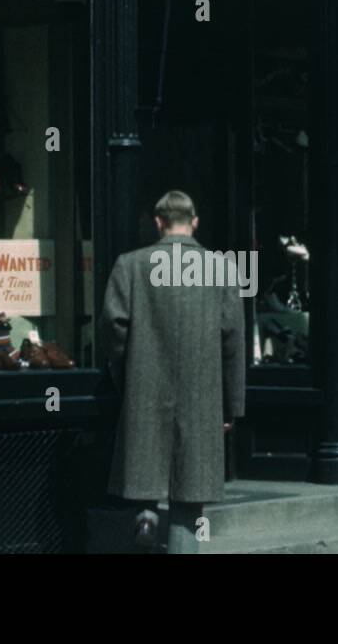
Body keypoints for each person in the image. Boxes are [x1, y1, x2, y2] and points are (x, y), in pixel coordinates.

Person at [100, 190, 246, 553]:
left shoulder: (130, 265)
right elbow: (233, 341)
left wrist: (125, 375)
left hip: (145, 388)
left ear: (158, 222)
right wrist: (231, 405)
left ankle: (146, 518)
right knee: (189, 501)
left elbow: (114, 327)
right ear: (194, 222)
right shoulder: (222, 269)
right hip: (202, 395)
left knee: (145, 475)